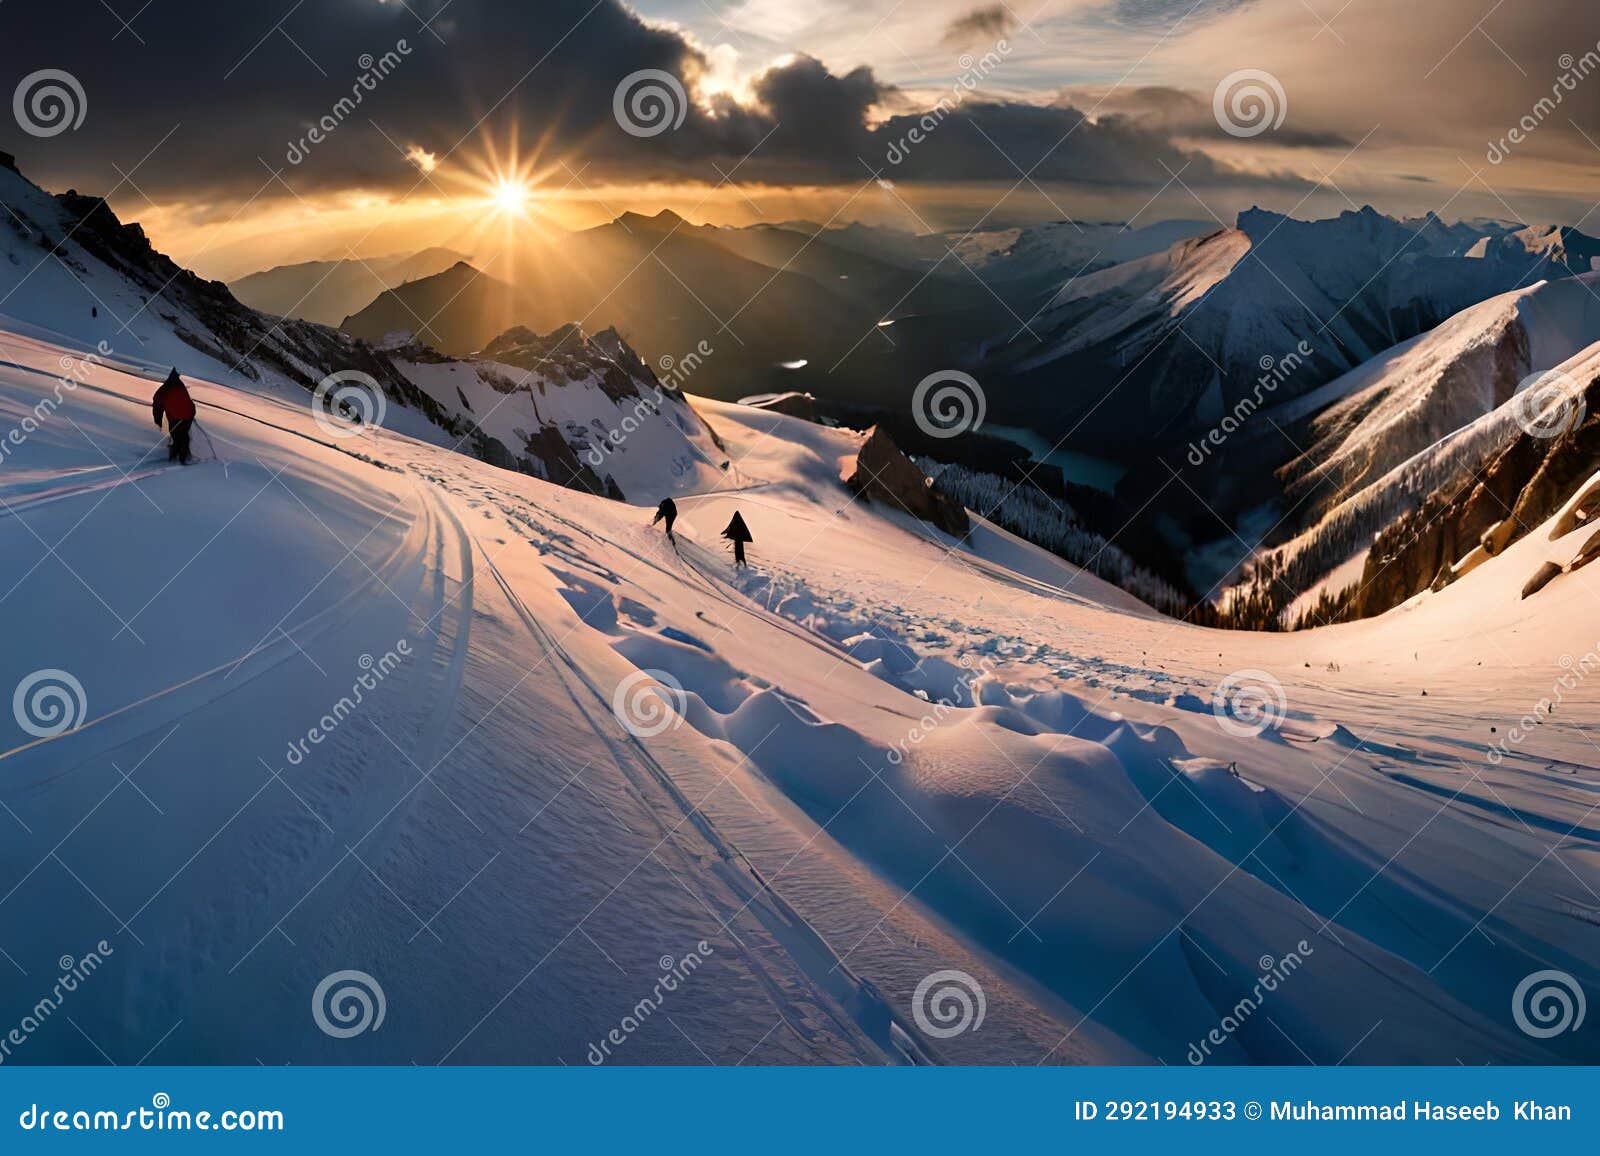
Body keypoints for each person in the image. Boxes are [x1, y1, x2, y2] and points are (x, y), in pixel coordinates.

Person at [152, 367, 196, 464]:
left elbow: (157, 404)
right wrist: (192, 414)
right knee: (184, 436)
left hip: (174, 418)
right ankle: (184, 457)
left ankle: (175, 456)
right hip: (186, 417)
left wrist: (158, 420)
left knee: (176, 436)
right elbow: (190, 404)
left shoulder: (164, 389)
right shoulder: (181, 386)